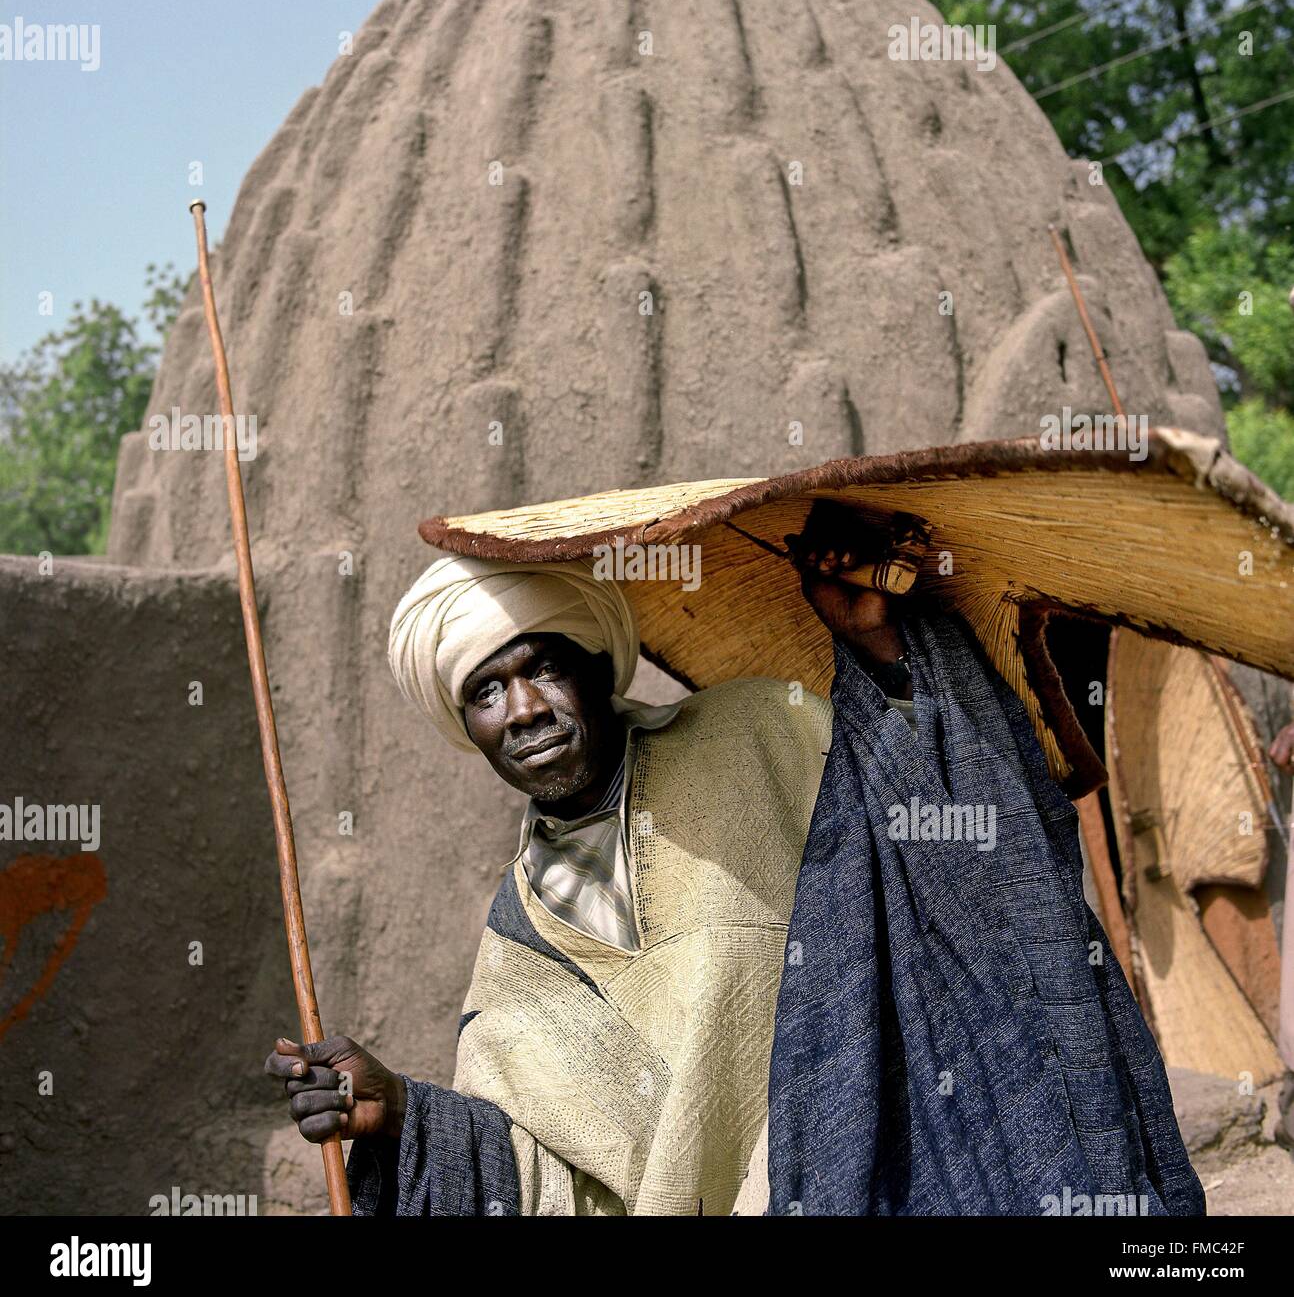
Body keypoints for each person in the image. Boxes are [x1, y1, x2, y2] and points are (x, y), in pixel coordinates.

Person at [265, 505, 1204, 1216]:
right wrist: (403, 1117)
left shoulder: (758, 735)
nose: (524, 711)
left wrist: (880, 640)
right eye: (486, 693)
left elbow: (944, 844)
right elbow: (559, 1188)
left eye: (543, 667)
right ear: (466, 727)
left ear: (599, 666)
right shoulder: (516, 961)